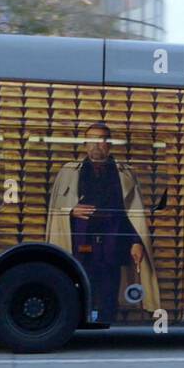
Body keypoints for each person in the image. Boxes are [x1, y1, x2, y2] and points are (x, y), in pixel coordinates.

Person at [45, 123, 160, 322]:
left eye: (102, 140)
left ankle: (106, 326)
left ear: (109, 144)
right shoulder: (69, 171)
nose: (96, 145)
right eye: (92, 140)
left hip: (113, 239)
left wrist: (135, 241)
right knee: (79, 283)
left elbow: (133, 212)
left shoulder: (125, 172)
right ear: (84, 143)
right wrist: (70, 211)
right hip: (81, 239)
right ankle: (78, 324)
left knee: (110, 286)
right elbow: (56, 206)